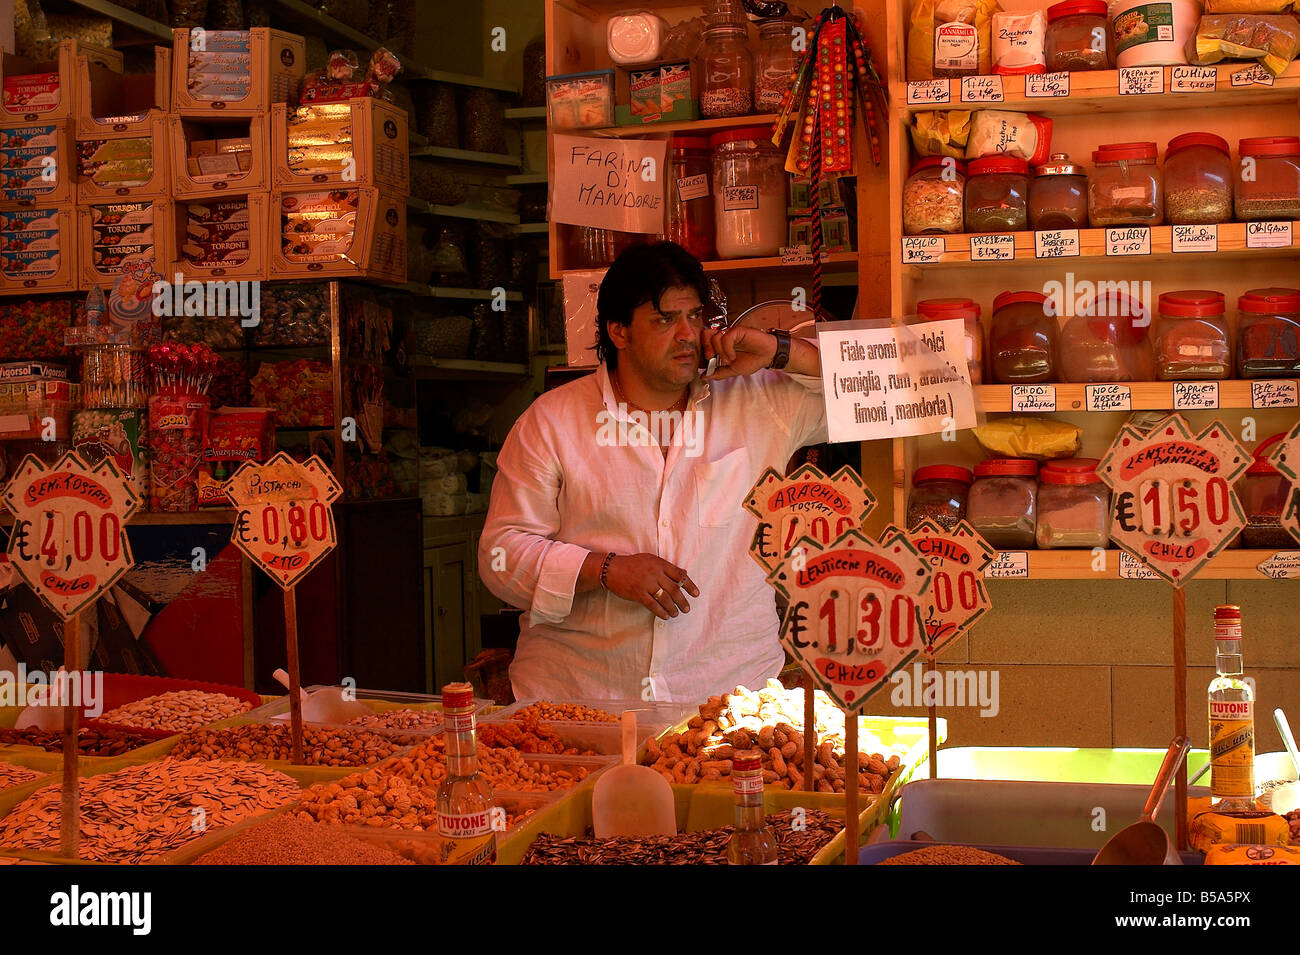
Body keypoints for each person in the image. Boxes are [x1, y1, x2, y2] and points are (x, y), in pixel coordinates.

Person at [478, 241, 827, 702]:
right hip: (581, 703)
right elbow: (500, 557)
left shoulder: (758, 402)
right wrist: (602, 570)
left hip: (726, 704)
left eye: (696, 316)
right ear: (619, 331)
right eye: (665, 319)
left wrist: (781, 350)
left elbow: (915, 384)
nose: (689, 335)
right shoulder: (553, 421)